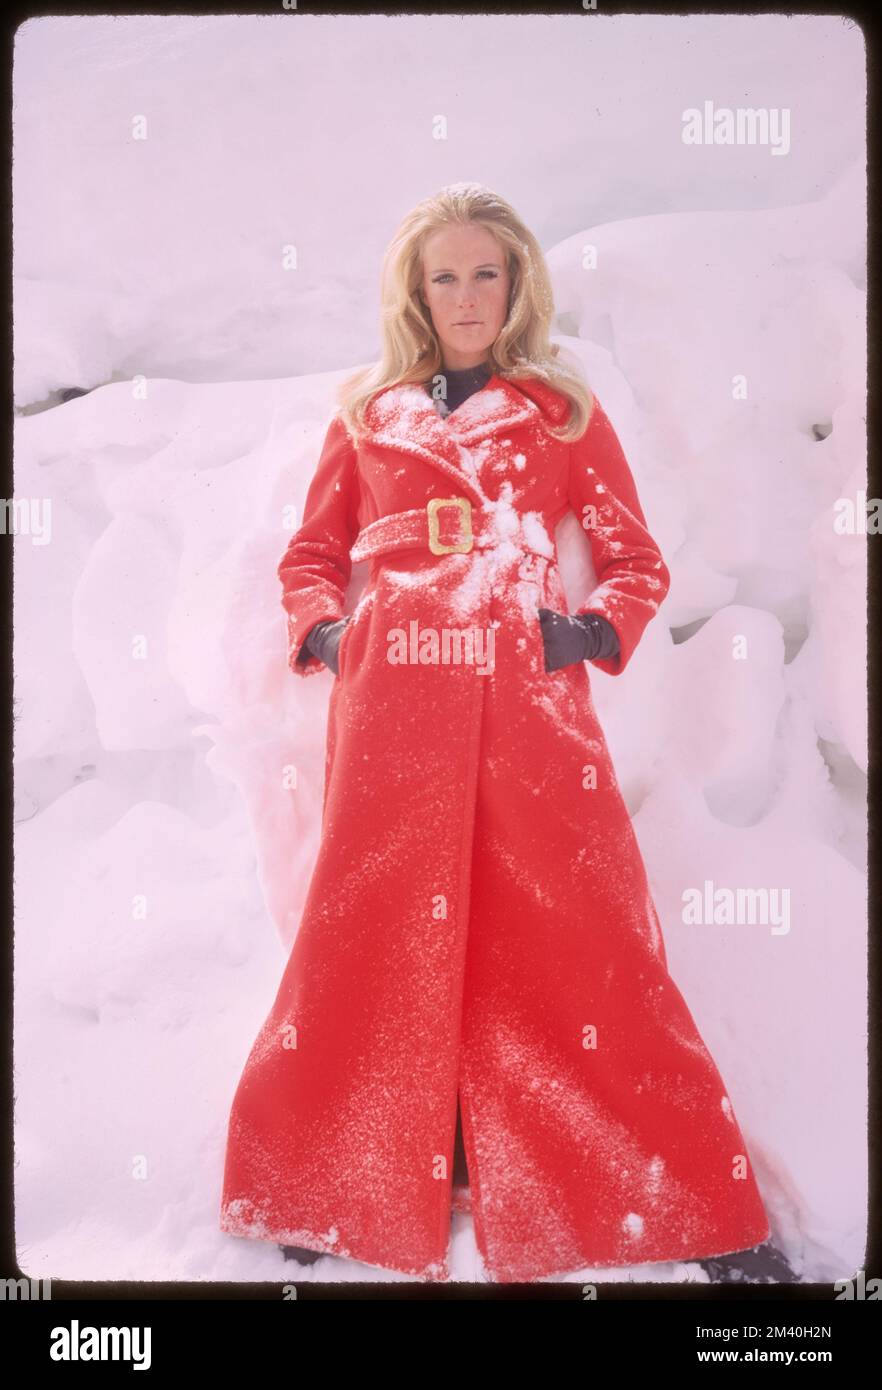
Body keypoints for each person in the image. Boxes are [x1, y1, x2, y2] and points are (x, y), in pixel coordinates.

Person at [220, 182, 782, 1284]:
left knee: (584, 935)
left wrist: (581, 635)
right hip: (391, 718)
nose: (467, 295)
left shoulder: (561, 414)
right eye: (445, 276)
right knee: (373, 936)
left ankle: (668, 1190)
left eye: (486, 272)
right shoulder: (368, 418)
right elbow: (310, 558)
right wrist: (335, 639)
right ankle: (337, 1180)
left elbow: (634, 559)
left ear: (515, 282)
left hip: (529, 715)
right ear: (415, 295)